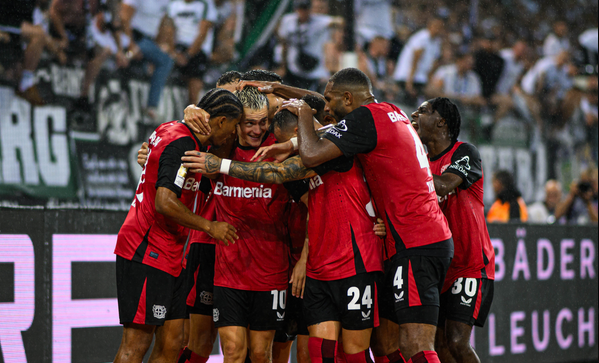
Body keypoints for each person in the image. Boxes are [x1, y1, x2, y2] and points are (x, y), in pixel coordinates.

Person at [182, 109, 387, 363]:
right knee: (317, 353)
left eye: (272, 132)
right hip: (310, 271)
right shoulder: (299, 152)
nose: (264, 135)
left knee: (353, 352)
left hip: (348, 263)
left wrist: (379, 221)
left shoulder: (330, 154)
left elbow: (282, 175)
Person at [296, 68, 453, 363]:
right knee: (386, 345)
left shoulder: (364, 120)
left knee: (416, 346)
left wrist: (303, 112)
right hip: (414, 238)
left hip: (416, 242)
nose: (326, 108)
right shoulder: (390, 111)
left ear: (348, 98)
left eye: (330, 101)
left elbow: (310, 155)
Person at [113, 89, 242, 363]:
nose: (234, 135)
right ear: (219, 122)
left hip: (171, 254)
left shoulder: (178, 133)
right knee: (135, 345)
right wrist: (209, 226)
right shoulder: (182, 143)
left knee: (174, 343)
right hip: (146, 249)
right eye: (233, 127)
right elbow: (164, 202)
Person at [194, 87, 291, 363]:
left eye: (263, 122)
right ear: (237, 123)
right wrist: (148, 154)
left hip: (271, 272)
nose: (257, 130)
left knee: (261, 354)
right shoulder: (219, 150)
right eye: (249, 122)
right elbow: (180, 143)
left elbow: (311, 200)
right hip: (229, 273)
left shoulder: (279, 148)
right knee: (234, 352)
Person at [411, 97, 495, 363]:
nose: (414, 115)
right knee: (438, 345)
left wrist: (408, 159)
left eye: (423, 111)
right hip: (438, 268)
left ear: (441, 121)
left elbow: (444, 186)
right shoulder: (423, 159)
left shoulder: (464, 152)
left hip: (469, 265)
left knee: (457, 341)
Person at [121, 0, 174, 121]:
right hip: (133, 37)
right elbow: (124, 18)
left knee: (165, 57)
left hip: (149, 42)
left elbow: (163, 24)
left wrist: (159, 46)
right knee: (166, 61)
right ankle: (152, 105)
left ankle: (132, 53)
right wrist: (130, 44)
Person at [277, 0, 343, 91]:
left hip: (315, 70)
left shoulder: (319, 21)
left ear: (309, 9)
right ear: (296, 9)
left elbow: (340, 21)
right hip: (294, 69)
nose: (303, 12)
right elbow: (284, 43)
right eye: (300, 9)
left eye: (305, 9)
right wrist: (283, 66)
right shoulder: (288, 21)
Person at [0, 0, 50, 105]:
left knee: (40, 35)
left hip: (15, 26)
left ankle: (24, 82)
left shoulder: (33, 10)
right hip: (5, 21)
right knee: (39, 35)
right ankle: (26, 84)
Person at [168, 0, 217, 104]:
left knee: (195, 73)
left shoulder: (206, 4)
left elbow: (202, 34)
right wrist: (173, 52)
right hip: (178, 47)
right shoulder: (173, 4)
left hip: (198, 49)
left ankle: (193, 105)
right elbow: (169, 30)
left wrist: (187, 55)